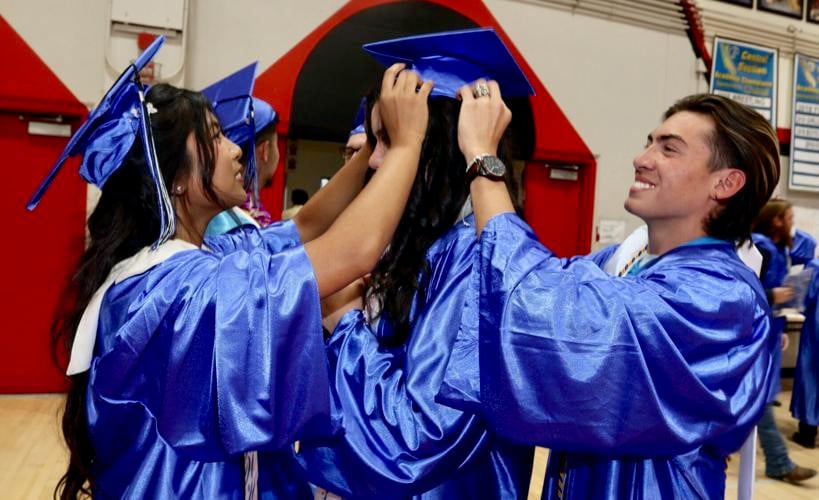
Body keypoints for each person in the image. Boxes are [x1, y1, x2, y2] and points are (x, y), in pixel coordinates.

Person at [28, 36, 433, 498]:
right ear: (177, 180)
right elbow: (352, 252)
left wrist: (372, 148)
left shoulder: (198, 258)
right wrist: (406, 144)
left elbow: (306, 225)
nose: (236, 149)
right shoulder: (174, 294)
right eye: (215, 136)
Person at [439, 88, 780, 498]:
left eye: (669, 149)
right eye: (649, 142)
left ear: (725, 183)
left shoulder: (720, 295)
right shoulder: (625, 261)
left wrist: (483, 161)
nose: (642, 158)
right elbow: (538, 286)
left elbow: (542, 312)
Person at [292, 28, 535, 498]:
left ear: (438, 147)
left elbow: (417, 438)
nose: (375, 161)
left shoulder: (475, 260)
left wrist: (345, 324)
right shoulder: (420, 242)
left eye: (390, 140)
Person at [751, 199, 817, 482]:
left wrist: (778, 330)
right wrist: (772, 295)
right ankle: (778, 461)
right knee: (761, 399)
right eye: (789, 217)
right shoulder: (762, 248)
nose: (793, 224)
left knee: (759, 398)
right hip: (755, 333)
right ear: (776, 221)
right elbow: (744, 291)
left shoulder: (777, 251)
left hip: (768, 331)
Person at [201, 62, 280, 234]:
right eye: (216, 137)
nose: (235, 150)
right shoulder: (238, 225)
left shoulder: (207, 212)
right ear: (265, 151)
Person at [793, 257, 819, 449]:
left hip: (816, 330)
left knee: (810, 378)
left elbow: (804, 298)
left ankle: (808, 433)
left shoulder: (815, 266)